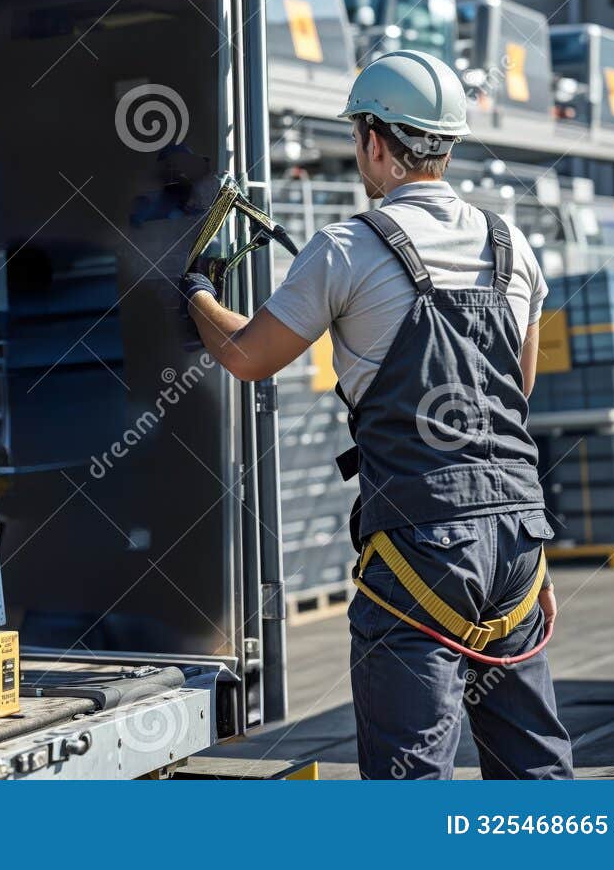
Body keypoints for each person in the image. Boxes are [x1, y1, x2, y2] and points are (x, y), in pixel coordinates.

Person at [181, 50, 572, 780]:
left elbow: (246, 355)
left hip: (423, 541)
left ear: (374, 140)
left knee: (408, 781)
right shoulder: (512, 246)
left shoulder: (346, 248)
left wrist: (198, 291)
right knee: (533, 770)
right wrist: (526, 557)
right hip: (519, 539)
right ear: (447, 145)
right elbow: (513, 397)